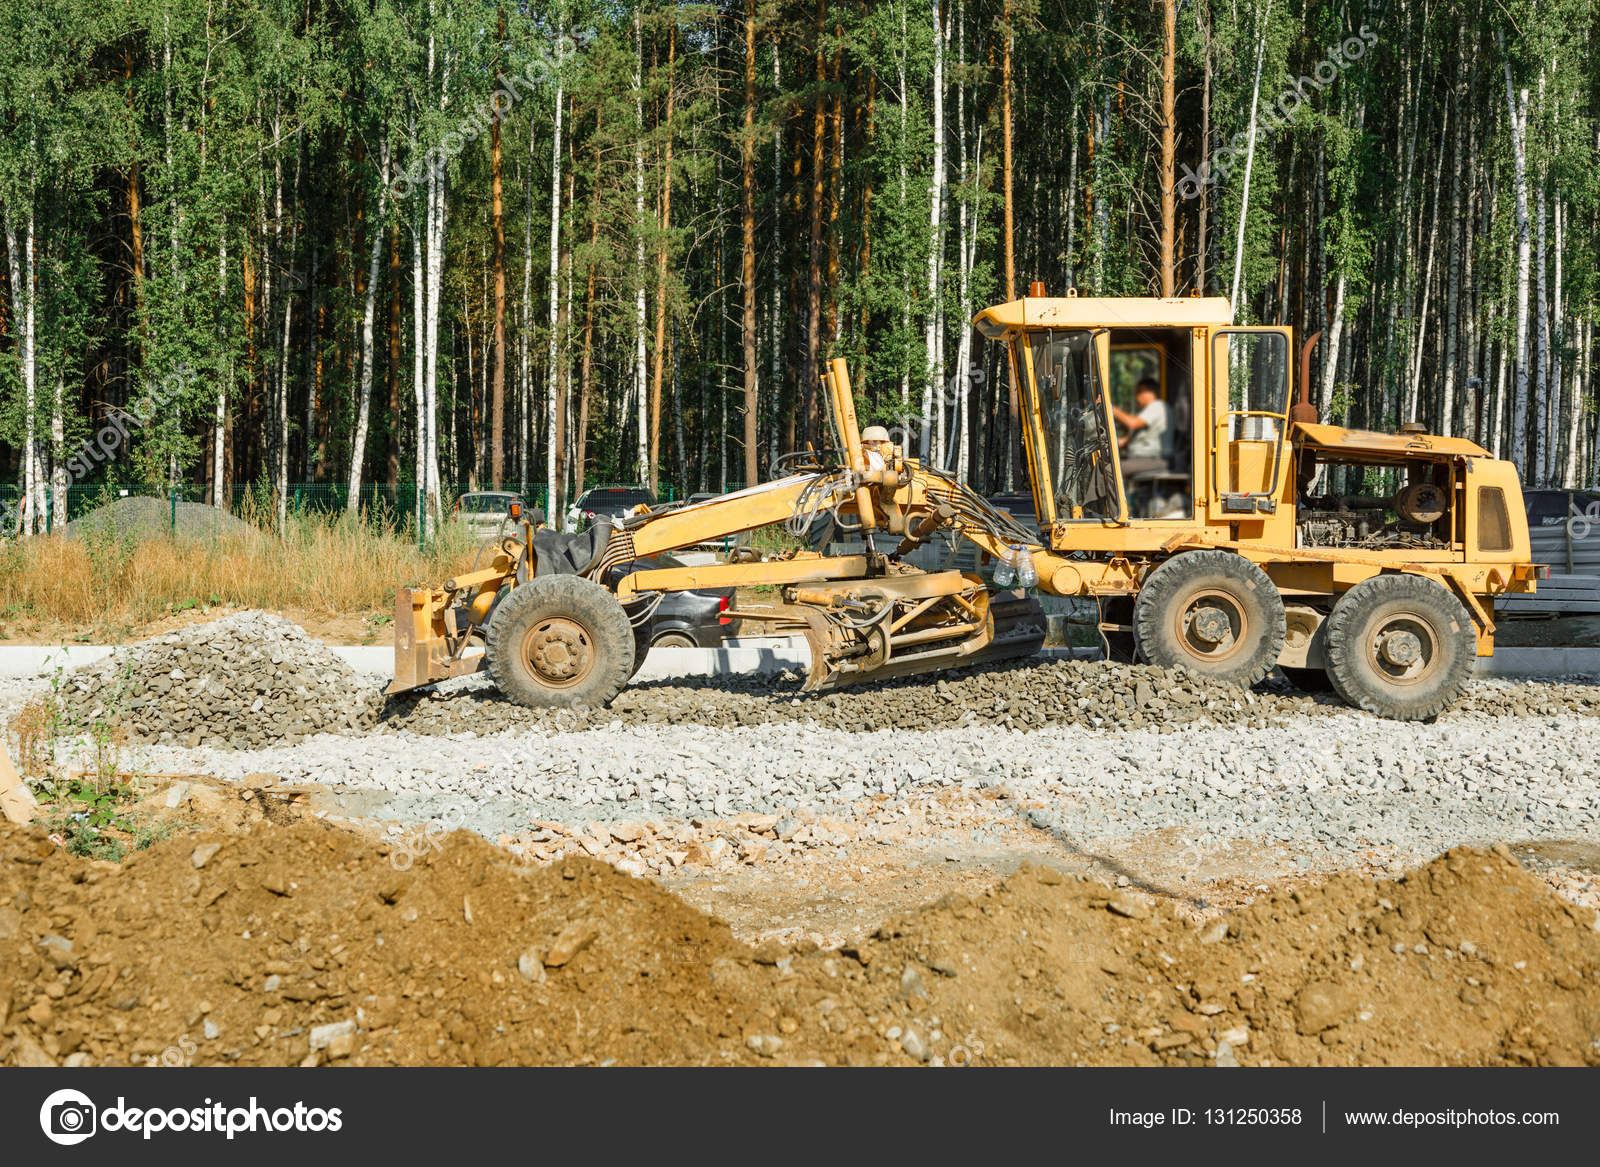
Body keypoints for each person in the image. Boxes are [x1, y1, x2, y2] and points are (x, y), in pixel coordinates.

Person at [1112, 378, 1169, 480]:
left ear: (1146, 391)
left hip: (1153, 459)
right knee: (1105, 464)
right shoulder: (1148, 412)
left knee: (1109, 470)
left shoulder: (1157, 406)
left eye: (1138, 393)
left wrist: (1111, 408)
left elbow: (1132, 423)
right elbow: (1125, 442)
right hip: (1143, 458)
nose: (1136, 397)